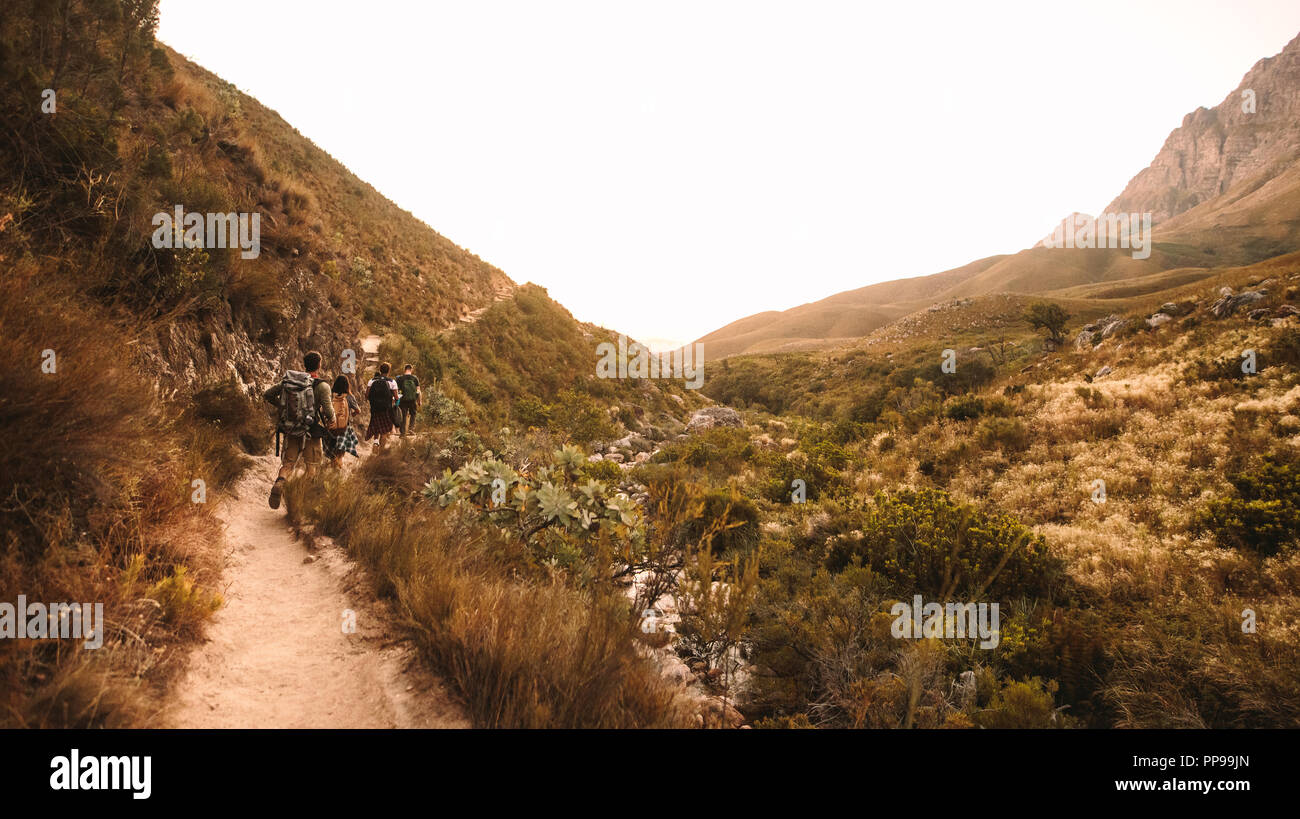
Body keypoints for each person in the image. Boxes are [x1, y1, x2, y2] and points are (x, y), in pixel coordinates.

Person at [263, 350, 334, 509]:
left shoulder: (290, 382)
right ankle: (305, 500)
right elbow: (329, 413)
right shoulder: (323, 386)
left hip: (292, 427)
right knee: (312, 466)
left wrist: (283, 407)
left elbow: (267, 394)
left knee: (288, 464)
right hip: (311, 430)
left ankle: (280, 483)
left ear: (304, 365)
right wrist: (332, 421)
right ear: (319, 365)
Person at [326, 375, 361, 468]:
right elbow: (358, 410)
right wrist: (350, 415)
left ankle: (332, 468)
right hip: (344, 427)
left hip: (331, 426)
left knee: (332, 450)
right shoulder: (349, 396)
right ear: (347, 385)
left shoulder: (330, 394)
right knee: (340, 452)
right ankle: (338, 470)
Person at [364, 362, 399, 452]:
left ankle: (376, 442)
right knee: (385, 430)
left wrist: (375, 401)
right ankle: (381, 451)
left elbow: (366, 395)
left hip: (375, 409)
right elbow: (396, 397)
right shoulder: (392, 382)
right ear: (389, 371)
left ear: (380, 370)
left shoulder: (372, 381)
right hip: (386, 409)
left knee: (376, 426)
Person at [394, 364, 421, 437]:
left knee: (403, 415)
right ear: (411, 370)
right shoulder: (415, 378)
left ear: (404, 370)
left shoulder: (400, 379)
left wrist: (396, 401)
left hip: (403, 400)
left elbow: (397, 391)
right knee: (413, 414)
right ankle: (411, 429)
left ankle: (402, 433)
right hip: (412, 400)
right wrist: (419, 401)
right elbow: (418, 390)